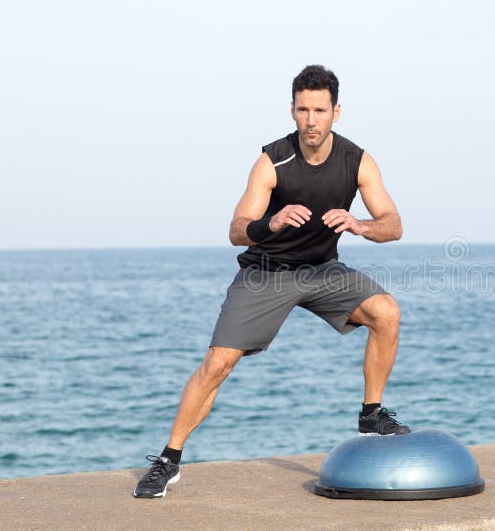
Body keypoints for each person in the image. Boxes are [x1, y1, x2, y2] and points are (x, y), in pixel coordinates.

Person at [133, 65, 409, 499]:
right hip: (266, 274)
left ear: (336, 111)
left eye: (319, 110)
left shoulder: (357, 160)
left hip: (322, 270)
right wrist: (272, 222)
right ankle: (168, 461)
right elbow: (237, 229)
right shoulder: (272, 160)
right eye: (303, 110)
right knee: (217, 364)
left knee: (386, 312)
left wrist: (360, 224)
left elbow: (393, 224)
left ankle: (371, 413)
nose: (311, 120)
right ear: (292, 110)